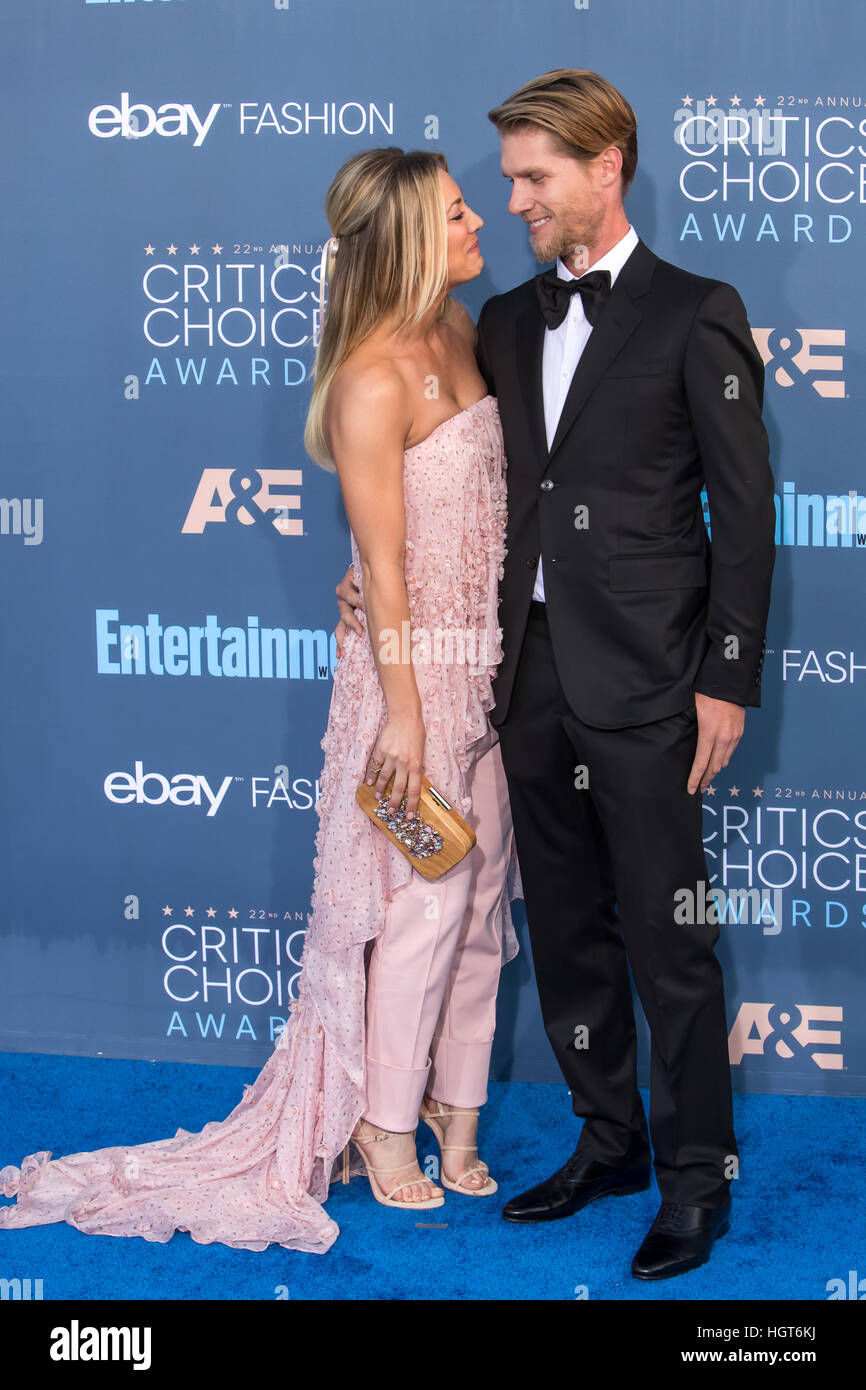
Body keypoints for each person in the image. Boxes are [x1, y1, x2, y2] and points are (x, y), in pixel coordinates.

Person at [0, 148, 521, 1254]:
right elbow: (379, 567)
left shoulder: (464, 333)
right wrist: (405, 712)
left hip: (482, 672)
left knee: (479, 907)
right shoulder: (372, 376)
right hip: (408, 682)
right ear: (410, 237)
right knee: (419, 910)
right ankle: (383, 1129)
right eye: (458, 209)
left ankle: (456, 1110)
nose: (480, 217)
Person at [336, 71, 776, 1280]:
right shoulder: (505, 322)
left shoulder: (698, 312)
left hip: (647, 686)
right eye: (508, 178)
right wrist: (368, 585)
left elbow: (741, 517)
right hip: (523, 683)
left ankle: (695, 1182)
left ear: (604, 168)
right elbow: (458, 490)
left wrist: (723, 680)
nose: (514, 199)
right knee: (570, 934)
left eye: (533, 178)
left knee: (667, 943)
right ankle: (608, 1138)